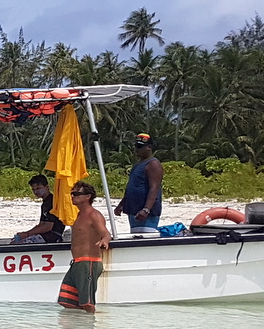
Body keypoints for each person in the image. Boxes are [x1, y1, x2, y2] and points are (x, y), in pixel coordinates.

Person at [59, 182, 110, 313]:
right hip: (77, 263)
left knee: (87, 303)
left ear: (87, 196)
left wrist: (104, 240)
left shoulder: (94, 215)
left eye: (76, 194)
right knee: (66, 300)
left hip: (89, 263)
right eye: (72, 194)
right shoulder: (79, 215)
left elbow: (106, 233)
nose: (72, 196)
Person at [116, 133, 163, 231]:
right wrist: (122, 204)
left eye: (140, 146)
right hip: (134, 210)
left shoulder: (153, 164)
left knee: (145, 238)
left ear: (149, 147)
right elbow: (133, 186)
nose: (136, 149)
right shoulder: (138, 164)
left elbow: (154, 188)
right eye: (136, 146)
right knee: (135, 236)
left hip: (146, 213)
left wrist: (146, 209)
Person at [12, 174, 64, 244]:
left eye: (38, 188)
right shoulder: (45, 203)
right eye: (33, 189)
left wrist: (27, 234)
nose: (36, 192)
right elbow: (41, 224)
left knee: (19, 243)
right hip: (45, 234)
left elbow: (48, 226)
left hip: (53, 236)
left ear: (47, 187)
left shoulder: (52, 202)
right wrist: (26, 233)